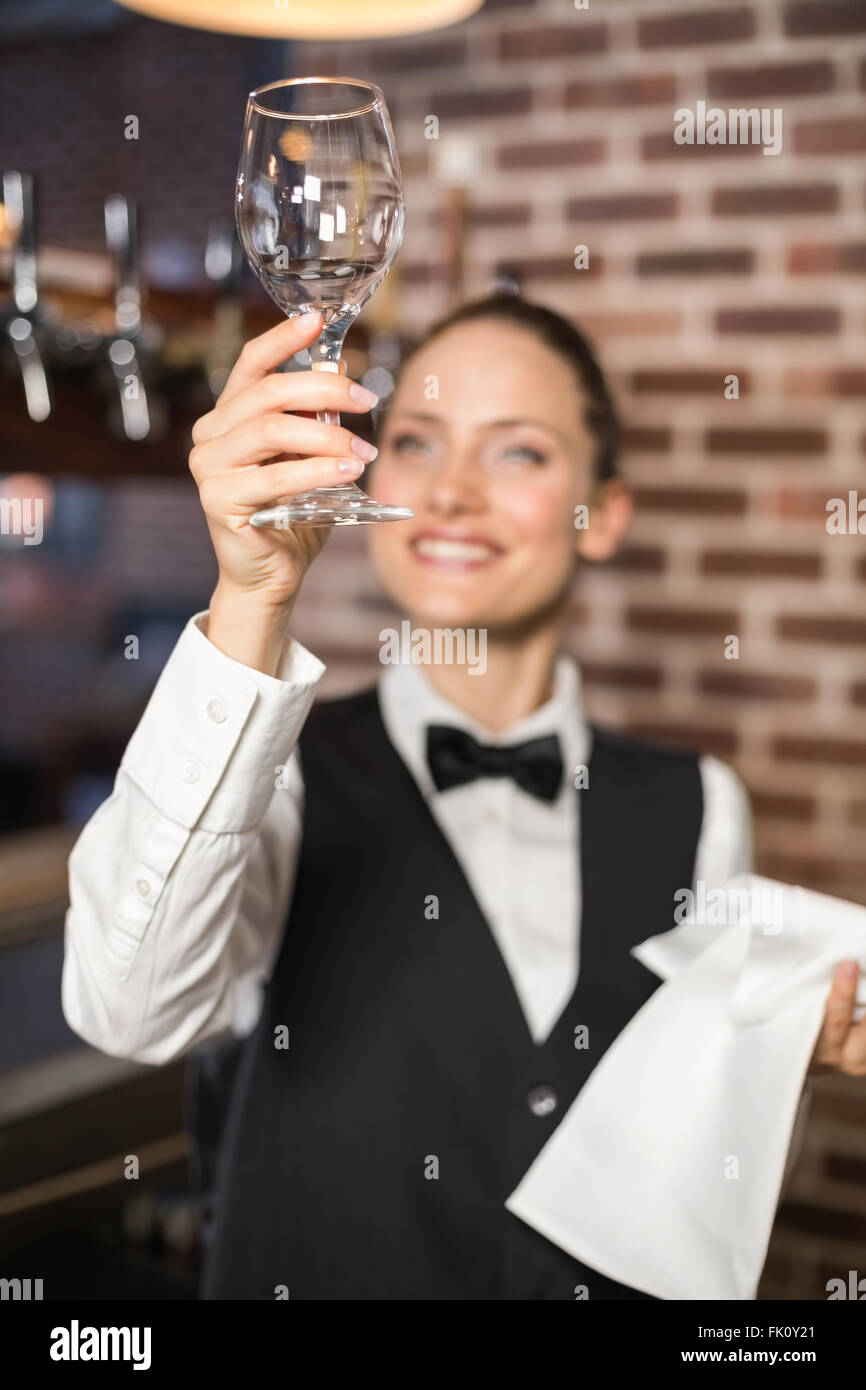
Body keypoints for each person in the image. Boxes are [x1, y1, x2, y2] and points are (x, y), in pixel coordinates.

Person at [62, 293, 866, 1301]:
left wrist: (762, 1063)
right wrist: (251, 603)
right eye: (416, 442)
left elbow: (700, 1207)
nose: (448, 493)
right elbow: (123, 1009)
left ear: (603, 512)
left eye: (516, 452)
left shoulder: (700, 804)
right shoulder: (269, 770)